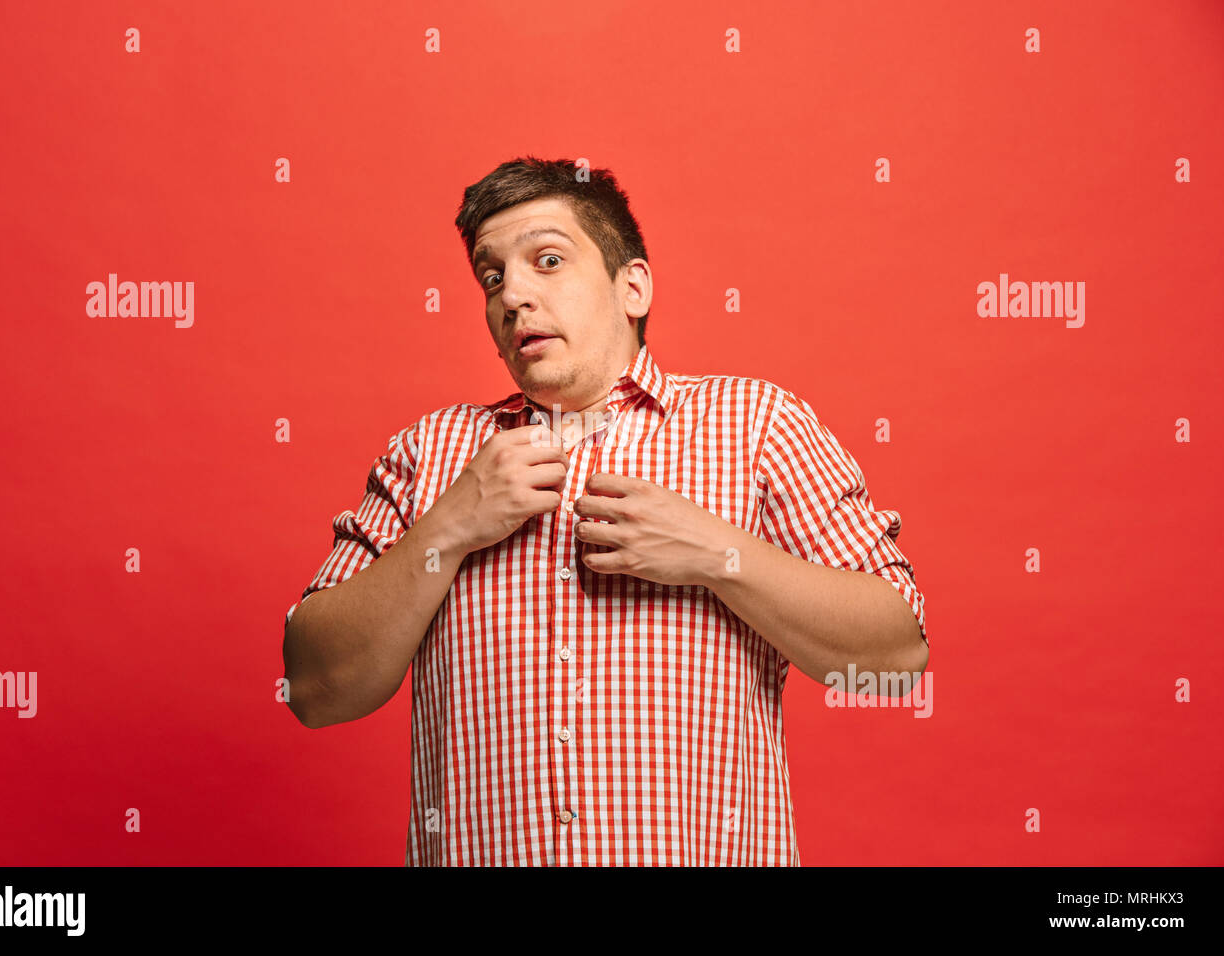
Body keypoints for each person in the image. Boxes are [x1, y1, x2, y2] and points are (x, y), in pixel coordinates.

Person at [281, 156, 929, 865]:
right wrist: (450, 527)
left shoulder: (758, 425)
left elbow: (897, 658)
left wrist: (718, 555)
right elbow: (314, 688)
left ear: (633, 286)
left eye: (547, 260)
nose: (513, 296)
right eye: (492, 277)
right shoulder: (429, 454)